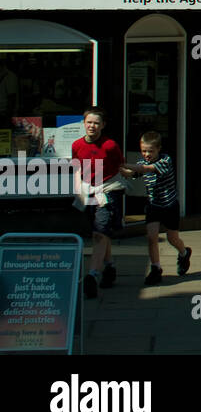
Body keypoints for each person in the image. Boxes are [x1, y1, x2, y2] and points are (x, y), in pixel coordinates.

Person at [118, 131, 190, 285]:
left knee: (173, 238)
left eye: (150, 151)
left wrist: (124, 163)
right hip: (153, 205)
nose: (147, 154)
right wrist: (116, 168)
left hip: (170, 205)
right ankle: (156, 268)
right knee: (151, 238)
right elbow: (131, 173)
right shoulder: (141, 162)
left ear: (159, 149)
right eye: (144, 151)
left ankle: (184, 253)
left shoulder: (165, 161)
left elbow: (146, 169)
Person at [73, 108, 124, 297]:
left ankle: (92, 275)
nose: (92, 126)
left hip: (108, 190)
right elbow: (77, 168)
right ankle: (109, 266)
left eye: (96, 123)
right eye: (89, 122)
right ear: (84, 123)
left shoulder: (110, 145)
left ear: (103, 125)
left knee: (99, 233)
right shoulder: (77, 145)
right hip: (88, 191)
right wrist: (78, 190)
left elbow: (119, 164)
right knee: (100, 233)